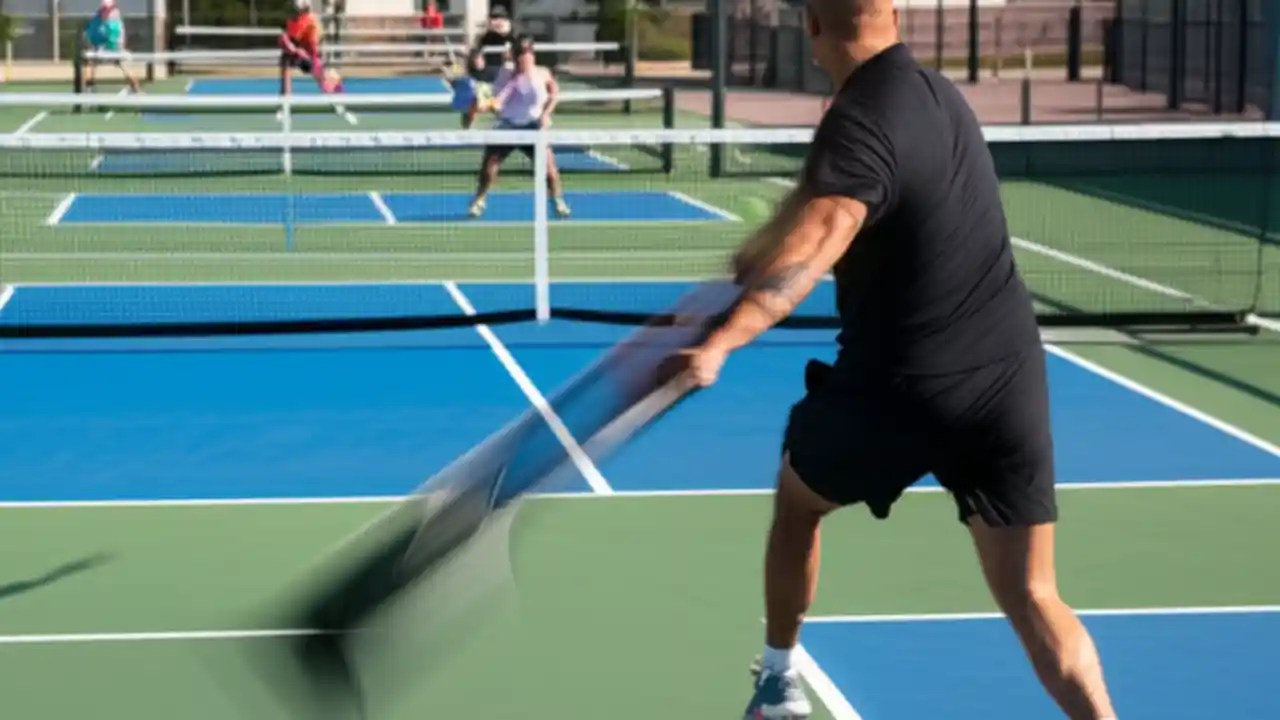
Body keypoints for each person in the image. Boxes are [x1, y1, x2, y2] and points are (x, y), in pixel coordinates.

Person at [672, 1, 1121, 719]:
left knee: (798, 501)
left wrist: (723, 342)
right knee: (1036, 593)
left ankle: (778, 687)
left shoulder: (856, 121)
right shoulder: (939, 96)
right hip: (1008, 379)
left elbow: (822, 233)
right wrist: (742, 273)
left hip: (904, 385)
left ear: (813, 27)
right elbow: (825, 205)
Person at [466, 35, 570, 219]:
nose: (523, 58)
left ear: (532, 54)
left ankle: (557, 200)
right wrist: (484, 106)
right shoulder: (505, 75)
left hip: (534, 126)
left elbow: (554, 94)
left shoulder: (543, 73)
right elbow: (496, 102)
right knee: (489, 167)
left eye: (526, 53)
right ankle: (479, 200)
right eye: (519, 54)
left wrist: (546, 115)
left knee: (550, 170)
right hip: (508, 125)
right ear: (514, 56)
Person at [278, 0, 343, 97]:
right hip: (303, 54)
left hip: (311, 56)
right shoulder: (297, 20)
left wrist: (291, 45)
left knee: (323, 81)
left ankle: (335, 89)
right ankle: (286, 95)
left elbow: (309, 44)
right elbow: (287, 40)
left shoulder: (308, 20)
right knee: (286, 59)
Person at [82, 0, 141, 95]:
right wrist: (95, 47)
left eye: (108, 8)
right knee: (89, 63)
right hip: (99, 50)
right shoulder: (96, 19)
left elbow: (118, 40)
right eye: (104, 8)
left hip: (115, 50)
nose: (106, 10)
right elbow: (89, 34)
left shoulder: (116, 21)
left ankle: (137, 90)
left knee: (127, 65)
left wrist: (115, 50)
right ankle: (87, 92)